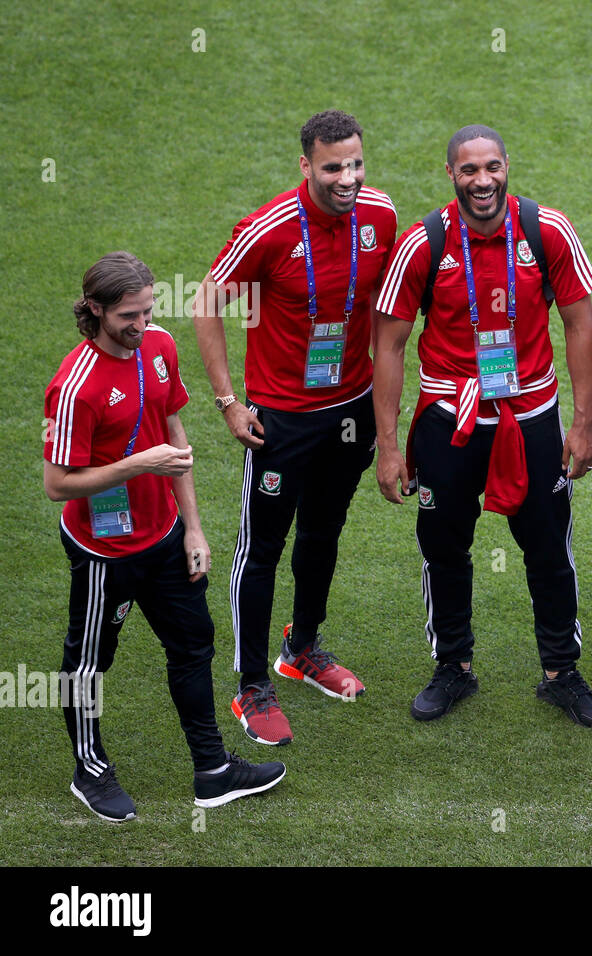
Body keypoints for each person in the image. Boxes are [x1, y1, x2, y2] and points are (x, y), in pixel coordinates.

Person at [372, 125, 592, 729]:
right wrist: (389, 448)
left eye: (493, 167)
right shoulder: (423, 243)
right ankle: (453, 666)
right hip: (451, 421)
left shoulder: (546, 230)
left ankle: (561, 672)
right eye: (469, 170)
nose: (484, 181)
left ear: (508, 167)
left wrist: (582, 426)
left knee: (549, 548)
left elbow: (581, 327)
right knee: (444, 547)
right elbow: (390, 346)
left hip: (531, 418)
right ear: (451, 175)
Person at [43, 252, 285, 821]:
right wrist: (139, 464)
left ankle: (213, 770)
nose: (142, 324)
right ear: (96, 310)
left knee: (194, 646)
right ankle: (89, 768)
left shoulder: (159, 348)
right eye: (129, 315)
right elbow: (57, 485)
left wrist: (193, 528)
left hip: (164, 538)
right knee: (88, 664)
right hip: (104, 552)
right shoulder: (75, 386)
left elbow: (174, 435)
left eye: (149, 310)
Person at [193, 110, 397, 745]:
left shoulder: (381, 215)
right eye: (333, 166)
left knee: (325, 531)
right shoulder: (269, 228)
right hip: (281, 419)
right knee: (262, 549)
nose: (347, 177)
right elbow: (204, 304)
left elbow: (384, 305)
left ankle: (301, 646)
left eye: (355, 163)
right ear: (306, 165)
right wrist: (230, 401)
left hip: (352, 408)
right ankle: (252, 682)